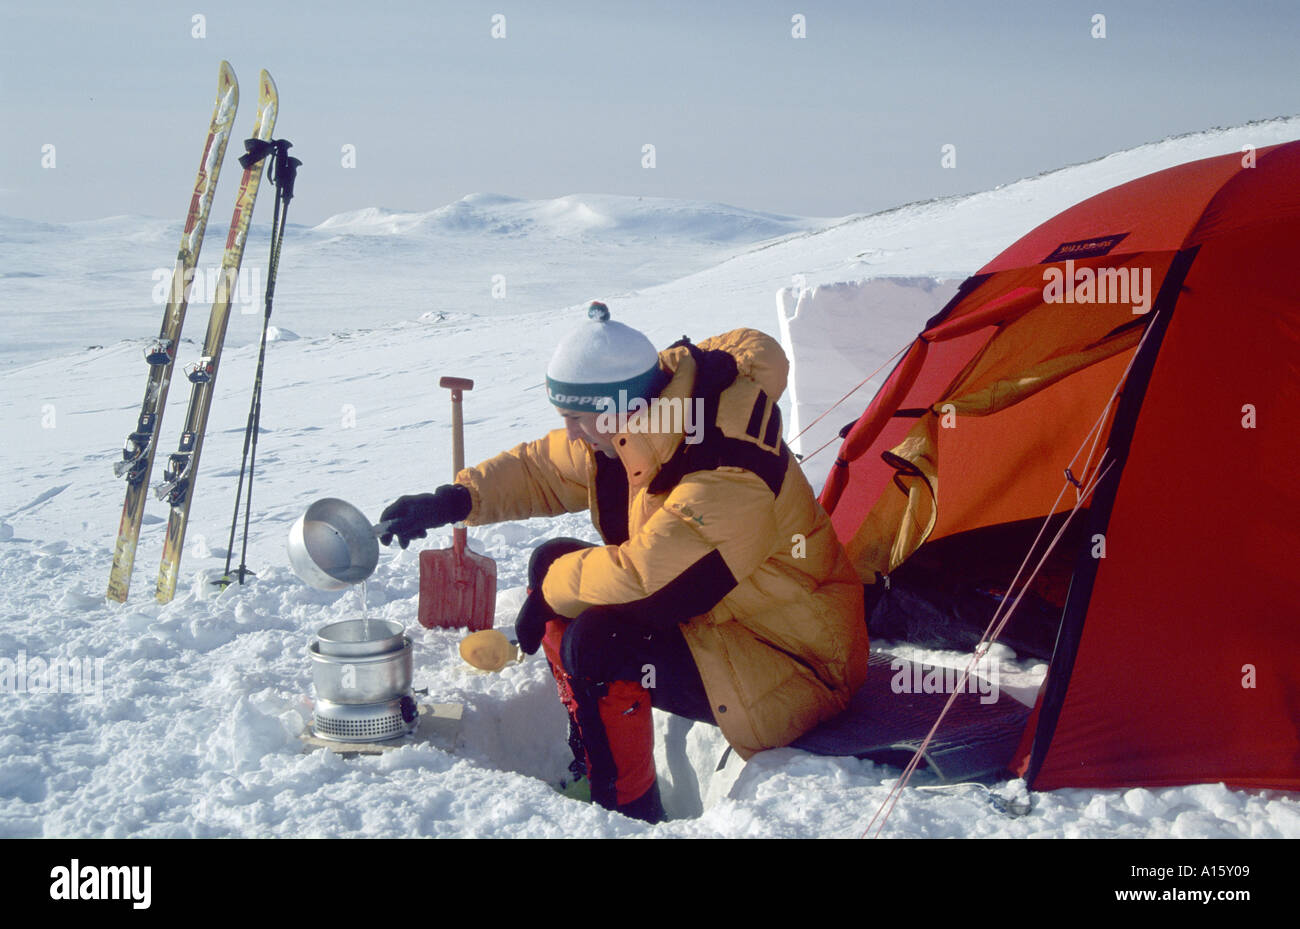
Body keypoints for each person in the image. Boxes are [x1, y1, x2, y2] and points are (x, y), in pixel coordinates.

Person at [379, 301, 868, 822]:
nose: (570, 433)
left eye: (574, 419)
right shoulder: (645, 421)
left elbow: (649, 581)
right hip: (727, 614)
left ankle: (626, 811)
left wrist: (545, 593)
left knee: (596, 640)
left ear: (616, 410)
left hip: (795, 659)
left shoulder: (726, 467)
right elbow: (543, 467)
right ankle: (596, 755)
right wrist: (454, 500)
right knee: (555, 561)